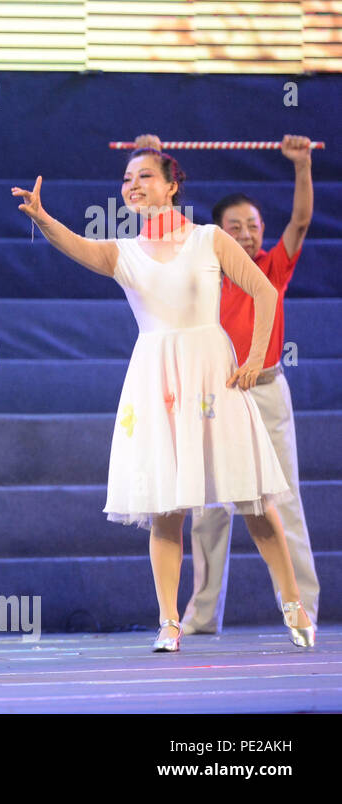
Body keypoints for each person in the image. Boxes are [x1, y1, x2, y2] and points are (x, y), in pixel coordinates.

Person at [12, 146, 316, 651]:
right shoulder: (122, 252)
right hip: (157, 381)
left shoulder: (209, 239)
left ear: (172, 185)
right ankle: (170, 620)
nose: (132, 184)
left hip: (214, 374)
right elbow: (73, 245)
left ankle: (292, 602)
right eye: (127, 178)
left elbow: (265, 292)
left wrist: (255, 356)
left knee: (254, 499)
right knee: (166, 508)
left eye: (145, 175)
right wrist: (44, 218)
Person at [135, 133, 319, 636]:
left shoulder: (272, 268)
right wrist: (149, 161)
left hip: (264, 388)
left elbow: (300, 220)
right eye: (234, 226)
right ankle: (199, 615)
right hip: (214, 393)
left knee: (277, 501)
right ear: (220, 231)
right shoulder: (204, 258)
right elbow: (158, 226)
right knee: (205, 509)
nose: (246, 234)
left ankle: (302, 607)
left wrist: (301, 166)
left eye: (254, 226)